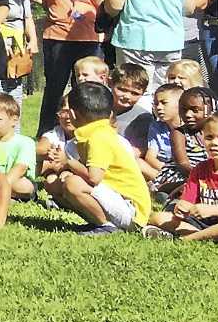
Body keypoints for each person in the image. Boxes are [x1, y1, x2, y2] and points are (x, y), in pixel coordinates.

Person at [40, 79, 150, 234]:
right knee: (60, 184)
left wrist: (68, 163)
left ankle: (107, 226)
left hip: (132, 211)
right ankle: (99, 223)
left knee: (73, 184)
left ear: (72, 114)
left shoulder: (98, 138)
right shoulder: (97, 132)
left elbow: (94, 178)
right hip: (119, 202)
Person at [35, 0, 110, 139]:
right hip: (58, 38)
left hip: (88, 38)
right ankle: (47, 136)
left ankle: (88, 135)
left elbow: (103, 3)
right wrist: (44, 1)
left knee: (89, 89)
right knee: (54, 90)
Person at [149, 113, 218, 240]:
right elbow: (187, 201)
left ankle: (188, 238)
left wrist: (214, 210)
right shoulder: (200, 169)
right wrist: (182, 209)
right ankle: (204, 236)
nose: (214, 143)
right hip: (201, 223)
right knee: (157, 217)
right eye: (209, 137)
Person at [0, 92, 36, 227]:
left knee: (23, 185)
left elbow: (20, 168)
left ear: (14, 120)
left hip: (14, 183)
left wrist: (2, 188)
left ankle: (5, 197)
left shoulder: (24, 142)